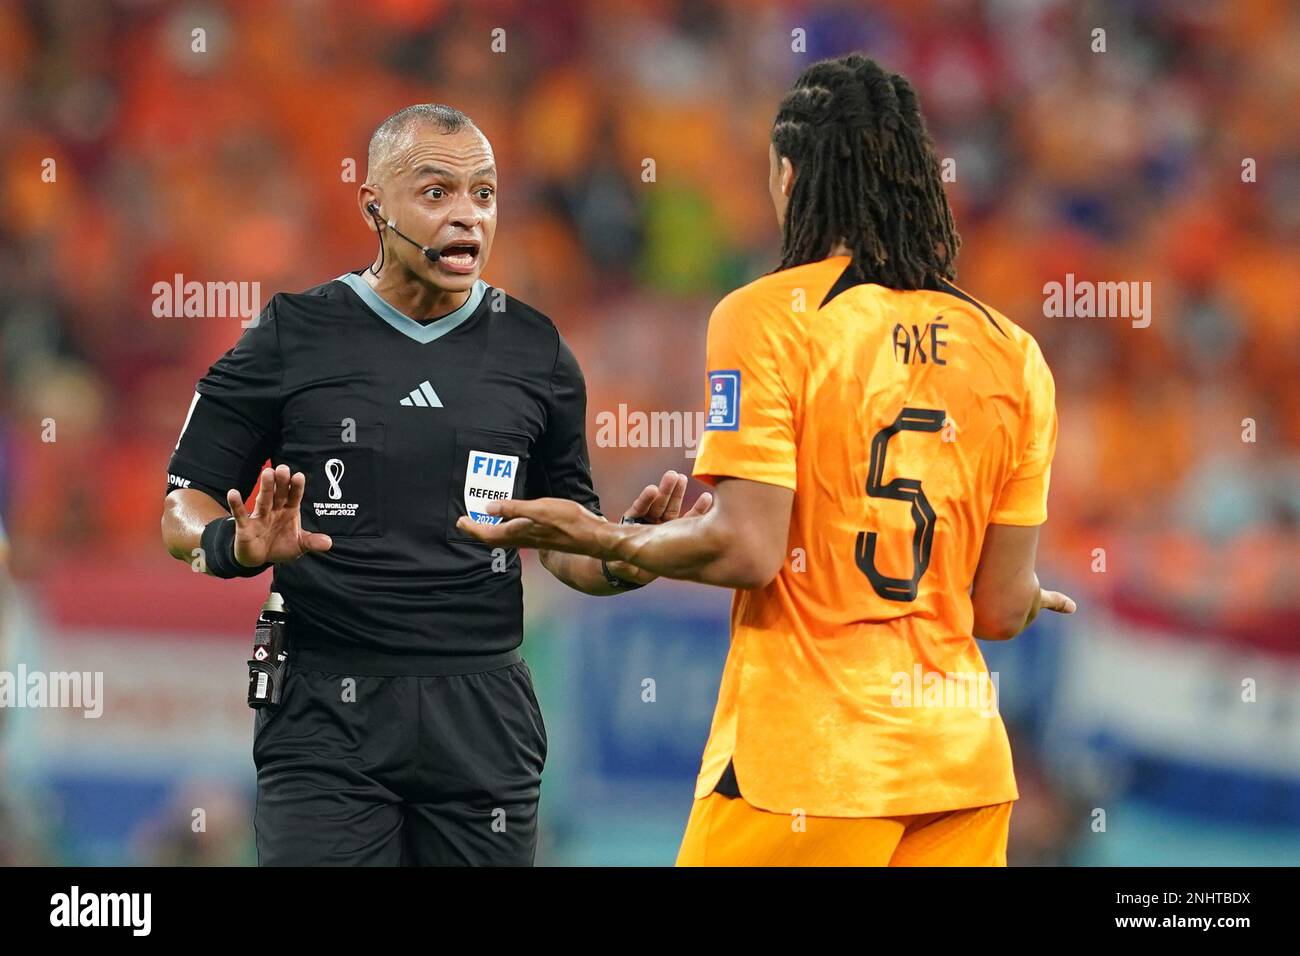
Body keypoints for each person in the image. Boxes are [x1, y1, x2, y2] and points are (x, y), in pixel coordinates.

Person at [459, 55, 1076, 866]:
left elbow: (748, 548)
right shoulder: (1014, 353)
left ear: (790, 176)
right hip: (959, 776)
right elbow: (999, 609)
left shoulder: (769, 316)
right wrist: (1032, 597)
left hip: (807, 766)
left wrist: (606, 539)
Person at [161, 104, 707, 866]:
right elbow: (178, 508)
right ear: (375, 206)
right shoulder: (290, 335)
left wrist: (620, 554)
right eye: (437, 192)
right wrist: (231, 543)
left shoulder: (537, 353)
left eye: (484, 194)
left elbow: (562, 543)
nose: (468, 217)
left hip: (481, 715)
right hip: (326, 713)